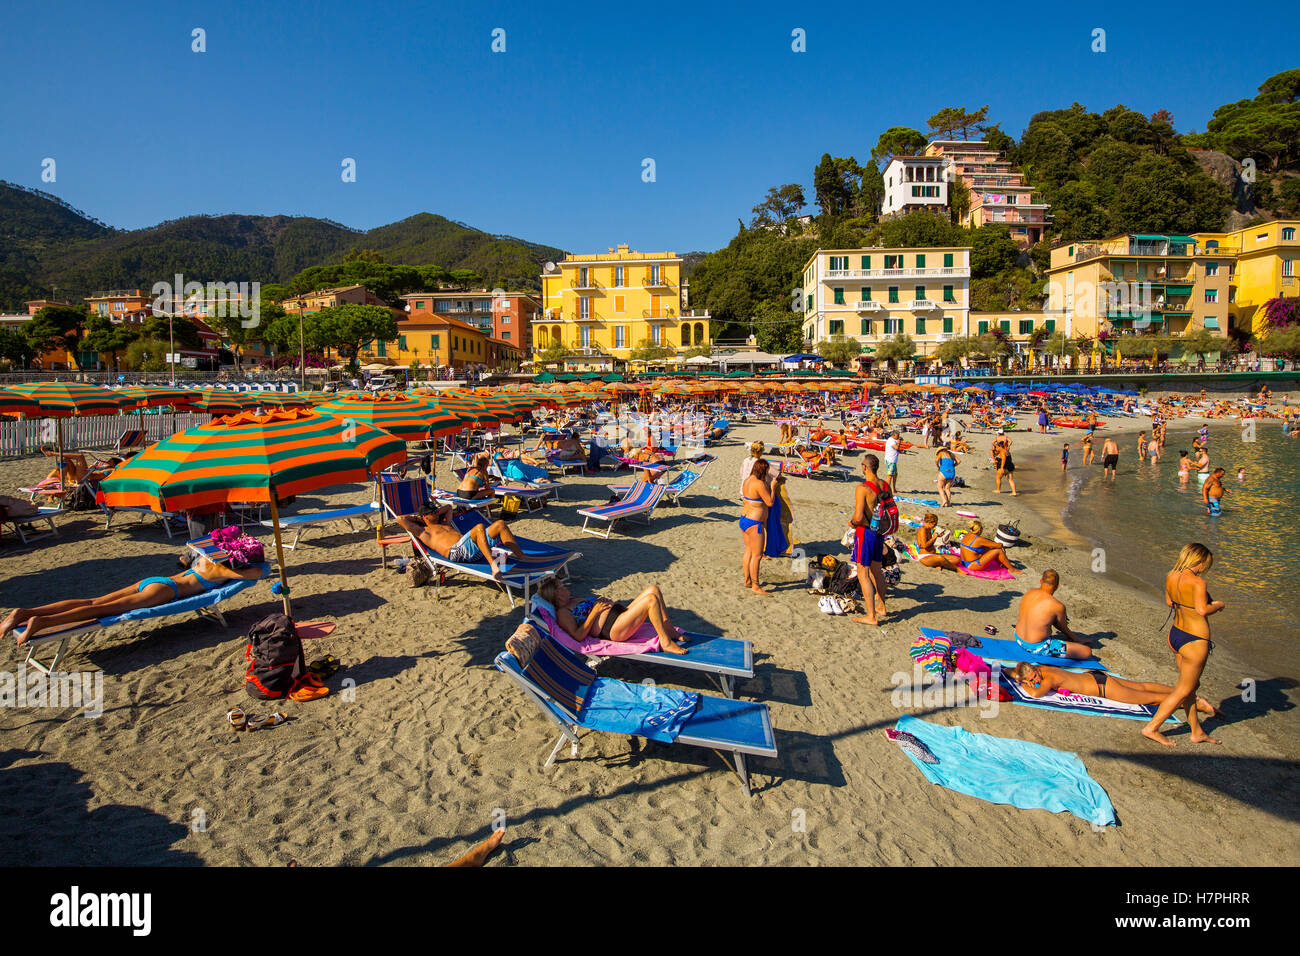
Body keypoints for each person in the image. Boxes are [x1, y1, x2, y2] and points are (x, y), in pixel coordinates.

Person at [3, 545, 266, 645]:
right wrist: (243, 566)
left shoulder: (204, 557)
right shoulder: (222, 570)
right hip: (165, 592)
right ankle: (42, 623)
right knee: (99, 611)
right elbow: (254, 574)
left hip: (154, 580)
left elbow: (187, 558)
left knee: (93, 601)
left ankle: (25, 613)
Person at [1143, 543, 1224, 746]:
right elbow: (1202, 610)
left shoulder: (1171, 575)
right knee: (1183, 689)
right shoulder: (1198, 582)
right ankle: (1152, 727)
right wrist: (1218, 605)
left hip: (1176, 635)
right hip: (1195, 640)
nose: (1204, 569)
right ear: (1198, 561)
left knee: (1190, 687)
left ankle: (1196, 731)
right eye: (1205, 565)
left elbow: (1170, 602)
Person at [536, 578, 687, 654]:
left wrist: (601, 602)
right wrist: (595, 612)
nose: (565, 586)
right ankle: (665, 642)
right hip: (613, 629)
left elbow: (594, 606)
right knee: (651, 601)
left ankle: (668, 629)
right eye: (561, 586)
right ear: (557, 593)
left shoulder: (573, 599)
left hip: (619, 615)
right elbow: (578, 636)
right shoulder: (563, 612)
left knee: (653, 589)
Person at [1009, 662, 1217, 714]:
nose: (1035, 679)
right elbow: (1014, 669)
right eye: (1031, 678)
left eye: (1033, 675)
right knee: (1143, 687)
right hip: (1097, 676)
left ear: (1035, 670)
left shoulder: (1047, 679)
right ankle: (1182, 692)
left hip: (1102, 688)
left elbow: (1036, 694)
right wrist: (1020, 675)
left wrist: (1026, 684)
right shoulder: (1043, 668)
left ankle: (1195, 704)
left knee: (1148, 698)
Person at [395, 504, 524, 581]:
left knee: (500, 524)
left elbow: (449, 507)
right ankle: (493, 566)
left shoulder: (445, 523)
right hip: (456, 553)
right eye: (433, 512)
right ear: (425, 516)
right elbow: (400, 519)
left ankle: (523, 558)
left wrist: (437, 512)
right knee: (479, 527)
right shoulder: (423, 531)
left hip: (473, 550)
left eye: (436, 511)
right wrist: (417, 518)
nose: (437, 513)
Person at [1011, 570, 1092, 659]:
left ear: (1041, 581)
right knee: (1086, 651)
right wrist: (1076, 638)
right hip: (1035, 647)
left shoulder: (1029, 592)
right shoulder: (1057, 605)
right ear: (1057, 586)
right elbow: (1062, 627)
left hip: (1018, 637)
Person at [849, 454, 890, 626]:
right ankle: (882, 606)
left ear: (864, 467)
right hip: (879, 531)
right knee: (876, 570)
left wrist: (851, 523)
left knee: (863, 573)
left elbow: (859, 516)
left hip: (865, 532)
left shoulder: (863, 488)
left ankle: (871, 616)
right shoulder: (884, 485)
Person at [741, 458, 776, 597]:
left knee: (748, 551)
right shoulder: (759, 483)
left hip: (744, 519)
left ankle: (747, 580)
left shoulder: (748, 480)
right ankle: (756, 585)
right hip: (755, 523)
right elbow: (769, 502)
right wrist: (772, 487)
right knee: (757, 555)